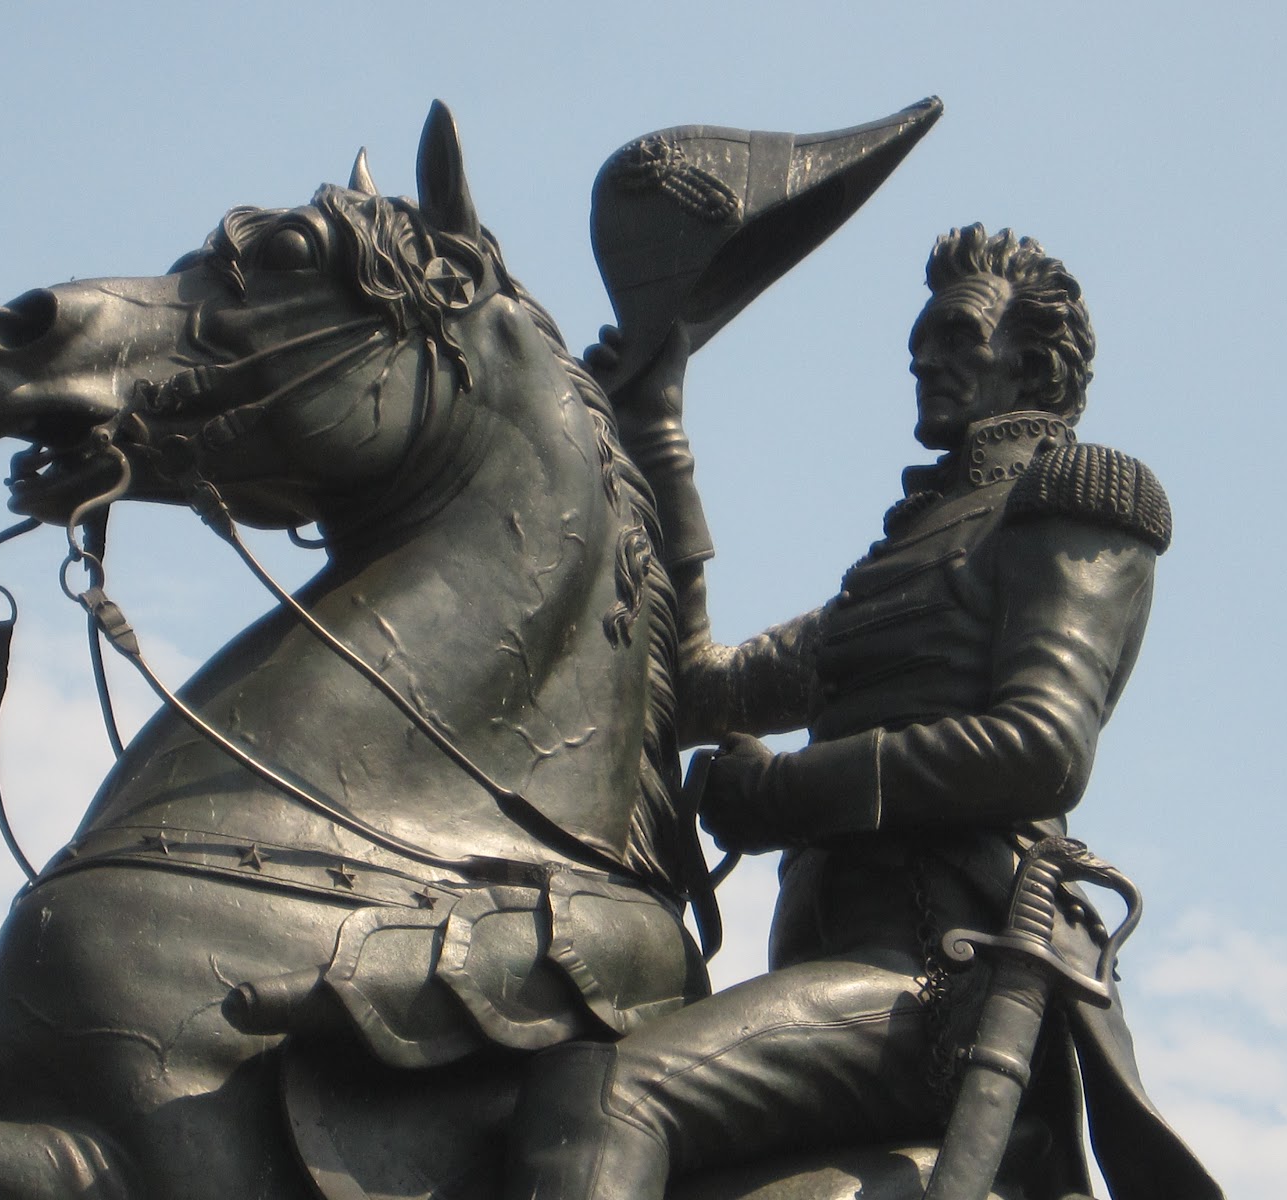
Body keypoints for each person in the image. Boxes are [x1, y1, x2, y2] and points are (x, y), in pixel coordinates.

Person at [504, 225, 1222, 1200]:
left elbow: (1042, 749)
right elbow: (697, 690)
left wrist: (786, 793)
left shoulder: (1076, 499)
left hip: (944, 971)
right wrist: (656, 431)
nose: (924, 354)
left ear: (1033, 359)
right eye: (920, 339)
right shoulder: (901, 564)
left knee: (603, 1097)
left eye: (957, 335)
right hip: (836, 960)